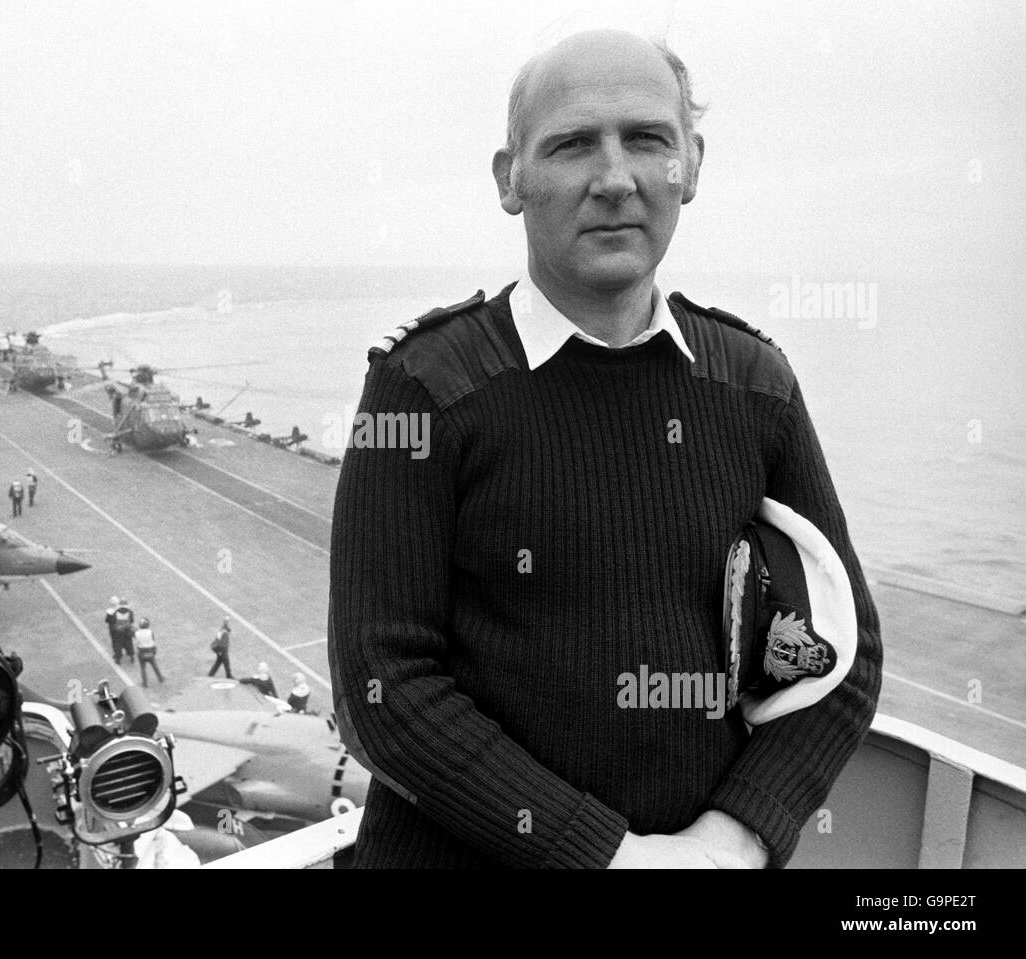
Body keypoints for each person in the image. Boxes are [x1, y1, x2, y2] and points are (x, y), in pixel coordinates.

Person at [328, 30, 882, 871]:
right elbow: (383, 688)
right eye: (572, 143)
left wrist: (732, 840)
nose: (614, 178)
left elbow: (844, 651)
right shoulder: (424, 386)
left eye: (647, 139)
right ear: (510, 180)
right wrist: (612, 857)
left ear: (690, 166)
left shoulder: (753, 382)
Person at [134, 618, 163, 687]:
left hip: (141, 651)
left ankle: (145, 683)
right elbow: (153, 640)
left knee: (143, 668)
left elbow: (137, 642)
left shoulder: (136, 633)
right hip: (150, 651)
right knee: (154, 665)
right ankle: (160, 678)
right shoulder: (150, 632)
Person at [106, 597, 136, 664]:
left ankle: (118, 658)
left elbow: (110, 622)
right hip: (127, 630)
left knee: (117, 644)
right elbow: (131, 621)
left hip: (117, 632)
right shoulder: (130, 612)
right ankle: (131, 656)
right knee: (128, 643)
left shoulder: (113, 613)